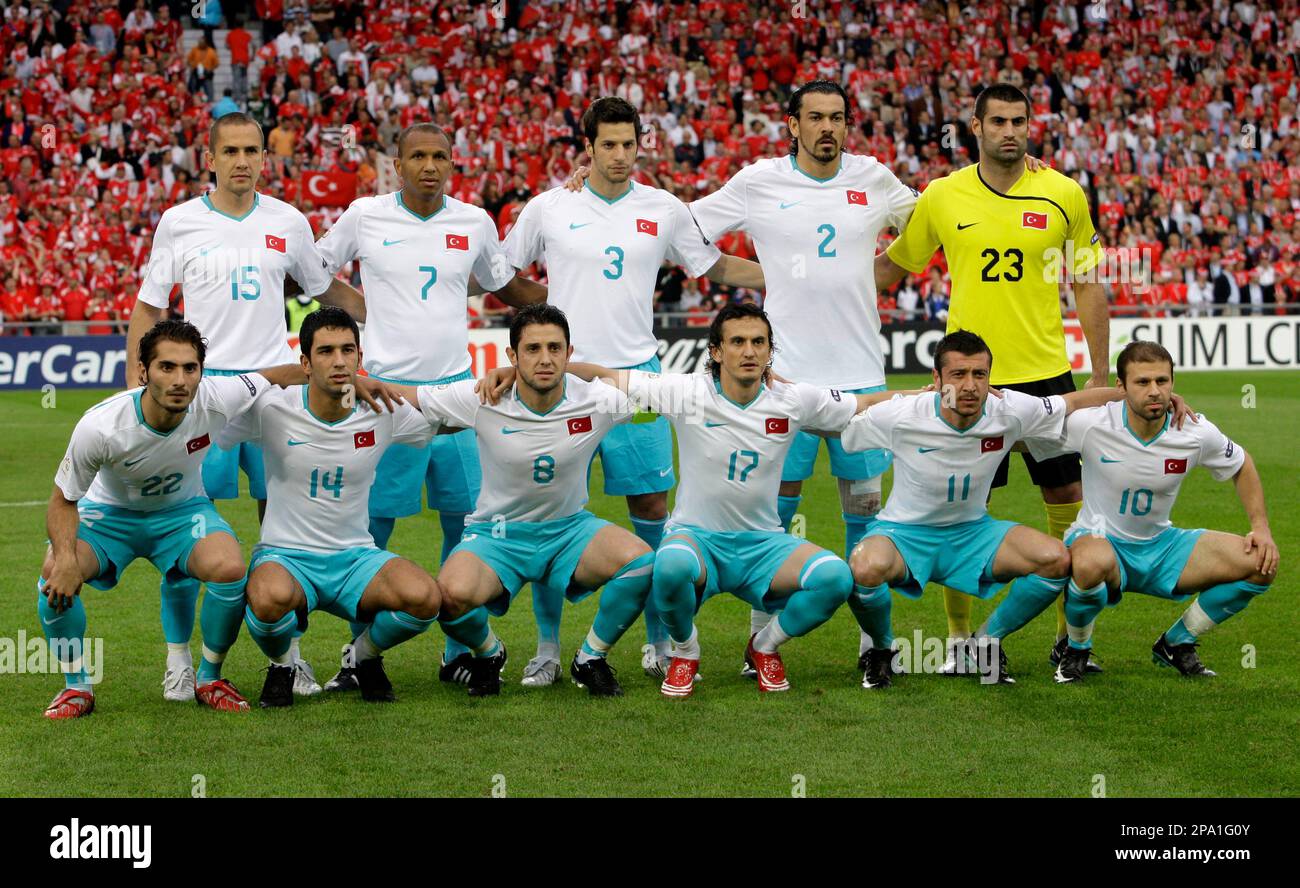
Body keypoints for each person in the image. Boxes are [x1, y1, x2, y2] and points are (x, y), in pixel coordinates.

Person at [505, 97, 763, 686]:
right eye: (610, 145)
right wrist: (543, 322)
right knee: (551, 512)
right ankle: (547, 647)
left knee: (650, 508)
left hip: (640, 382)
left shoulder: (664, 208)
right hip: (562, 381)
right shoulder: (549, 207)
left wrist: (793, 277)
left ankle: (656, 641)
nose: (621, 156)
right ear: (587, 147)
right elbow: (500, 273)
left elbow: (714, 267)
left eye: (630, 144)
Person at [38, 319, 394, 719]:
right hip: (110, 518)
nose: (180, 380)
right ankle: (77, 686)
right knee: (53, 572)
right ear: (143, 371)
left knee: (228, 565)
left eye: (190, 368)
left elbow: (282, 374)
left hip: (182, 514)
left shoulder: (218, 397)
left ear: (202, 373)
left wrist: (351, 383)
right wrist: (67, 558)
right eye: (166, 367)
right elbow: (62, 500)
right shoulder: (101, 425)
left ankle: (209, 676)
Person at [127, 112, 367, 698]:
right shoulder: (178, 222)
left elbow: (321, 289)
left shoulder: (288, 220)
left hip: (275, 393)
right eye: (230, 150)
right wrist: (139, 384)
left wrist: (394, 302)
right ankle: (180, 659)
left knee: (280, 530)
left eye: (252, 150)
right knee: (183, 531)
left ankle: (287, 656)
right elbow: (149, 308)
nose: (242, 160)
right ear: (209, 158)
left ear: (266, 157)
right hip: (200, 396)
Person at [875, 83, 1111, 675]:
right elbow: (894, 267)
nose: (1011, 130)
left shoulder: (1063, 194)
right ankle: (961, 641)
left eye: (1020, 121)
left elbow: (1087, 283)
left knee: (1067, 498)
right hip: (969, 380)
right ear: (975, 126)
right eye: (998, 121)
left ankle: (1067, 637)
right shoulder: (943, 195)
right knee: (958, 509)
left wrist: (1100, 373)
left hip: (1049, 375)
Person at [561, 303, 910, 697]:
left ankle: (764, 646)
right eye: (738, 342)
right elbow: (606, 376)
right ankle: (685, 653)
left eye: (758, 342)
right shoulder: (686, 391)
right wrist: (518, 375)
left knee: (835, 578)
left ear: (769, 351)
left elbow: (863, 404)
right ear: (715, 351)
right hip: (697, 539)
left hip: (763, 544)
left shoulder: (793, 399)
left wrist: (930, 395)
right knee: (669, 564)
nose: (749, 351)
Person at [313, 123, 546, 692]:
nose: (429, 166)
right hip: (386, 399)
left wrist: (567, 290)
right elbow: (313, 274)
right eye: (417, 156)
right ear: (397, 162)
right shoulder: (365, 214)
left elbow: (504, 285)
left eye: (439, 156)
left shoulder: (472, 221)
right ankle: (361, 655)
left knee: (466, 526)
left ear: (452, 162)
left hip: (459, 398)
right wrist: (367, 312)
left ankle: (458, 651)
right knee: (371, 531)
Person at [842, 331, 1167, 688]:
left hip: (973, 533)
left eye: (979, 375)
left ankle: (982, 644)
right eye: (958, 375)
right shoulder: (903, 413)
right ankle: (882, 651)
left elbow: (1071, 402)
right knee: (862, 567)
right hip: (905, 535)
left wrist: (1149, 398)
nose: (970, 386)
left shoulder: (1008, 409)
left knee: (1055, 559)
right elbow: (842, 423)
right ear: (936, 379)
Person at [401, 305, 657, 698]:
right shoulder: (482, 397)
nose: (545, 358)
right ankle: (488, 653)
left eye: (555, 348)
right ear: (512, 356)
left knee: (642, 563)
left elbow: (661, 390)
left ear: (570, 353)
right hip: (497, 535)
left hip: (569, 530)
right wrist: (349, 386)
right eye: (532, 349)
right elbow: (412, 397)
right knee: (445, 598)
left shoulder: (599, 399)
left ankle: (591, 658)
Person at [218, 308, 444, 707]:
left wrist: (507, 388)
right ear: (304, 362)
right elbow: (208, 416)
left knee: (424, 598)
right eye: (325, 352)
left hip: (355, 558)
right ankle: (283, 663)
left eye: (347, 350)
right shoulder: (272, 409)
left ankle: (363, 657)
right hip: (286, 556)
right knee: (267, 599)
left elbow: (446, 417)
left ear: (360, 357)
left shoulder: (382, 411)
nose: (339, 361)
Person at [1052, 341, 1277, 681]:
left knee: (1261, 564)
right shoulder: (1092, 424)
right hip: (1100, 542)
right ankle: (1076, 648)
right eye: (1142, 382)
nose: (1154, 391)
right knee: (1089, 563)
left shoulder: (1194, 431)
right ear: (1120, 387)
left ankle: (1176, 642)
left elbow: (1242, 464)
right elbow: (1025, 431)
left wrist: (1261, 528)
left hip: (1162, 547)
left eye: (1162, 381)